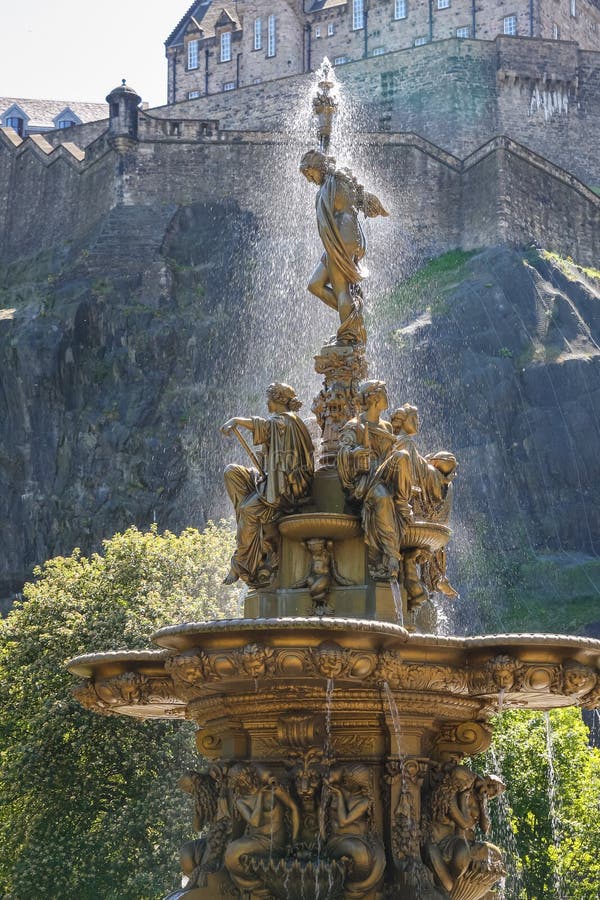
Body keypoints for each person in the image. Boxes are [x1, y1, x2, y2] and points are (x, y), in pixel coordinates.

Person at [222, 382, 314, 586]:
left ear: (278, 399)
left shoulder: (289, 422)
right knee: (232, 472)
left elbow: (265, 426)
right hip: (270, 481)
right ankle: (250, 531)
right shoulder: (280, 422)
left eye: (269, 398)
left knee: (248, 510)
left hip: (286, 489)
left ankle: (242, 563)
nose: (266, 402)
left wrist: (237, 420)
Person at [300, 149, 388, 345]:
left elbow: (349, 200)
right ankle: (352, 320)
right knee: (315, 285)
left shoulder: (335, 180)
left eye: (309, 174)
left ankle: (348, 337)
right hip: (344, 237)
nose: (309, 179)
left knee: (341, 291)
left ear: (316, 167)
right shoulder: (333, 180)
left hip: (343, 237)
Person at [337, 380, 413, 579]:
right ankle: (391, 554)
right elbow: (342, 451)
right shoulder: (355, 426)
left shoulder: (386, 426)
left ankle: (403, 502)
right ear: (374, 398)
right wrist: (354, 453)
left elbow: (392, 458)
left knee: (403, 456)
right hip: (365, 481)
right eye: (385, 393)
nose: (388, 396)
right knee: (382, 496)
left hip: (383, 474)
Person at [224, 765, 300, 896]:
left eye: (246, 777)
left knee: (232, 851)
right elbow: (255, 821)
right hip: (257, 840)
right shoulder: (241, 802)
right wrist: (259, 795)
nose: (246, 782)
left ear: (252, 775)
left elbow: (294, 808)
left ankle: (262, 885)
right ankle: (258, 884)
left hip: (276, 843)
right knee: (230, 853)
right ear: (237, 784)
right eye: (240, 781)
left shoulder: (274, 790)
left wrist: (295, 841)